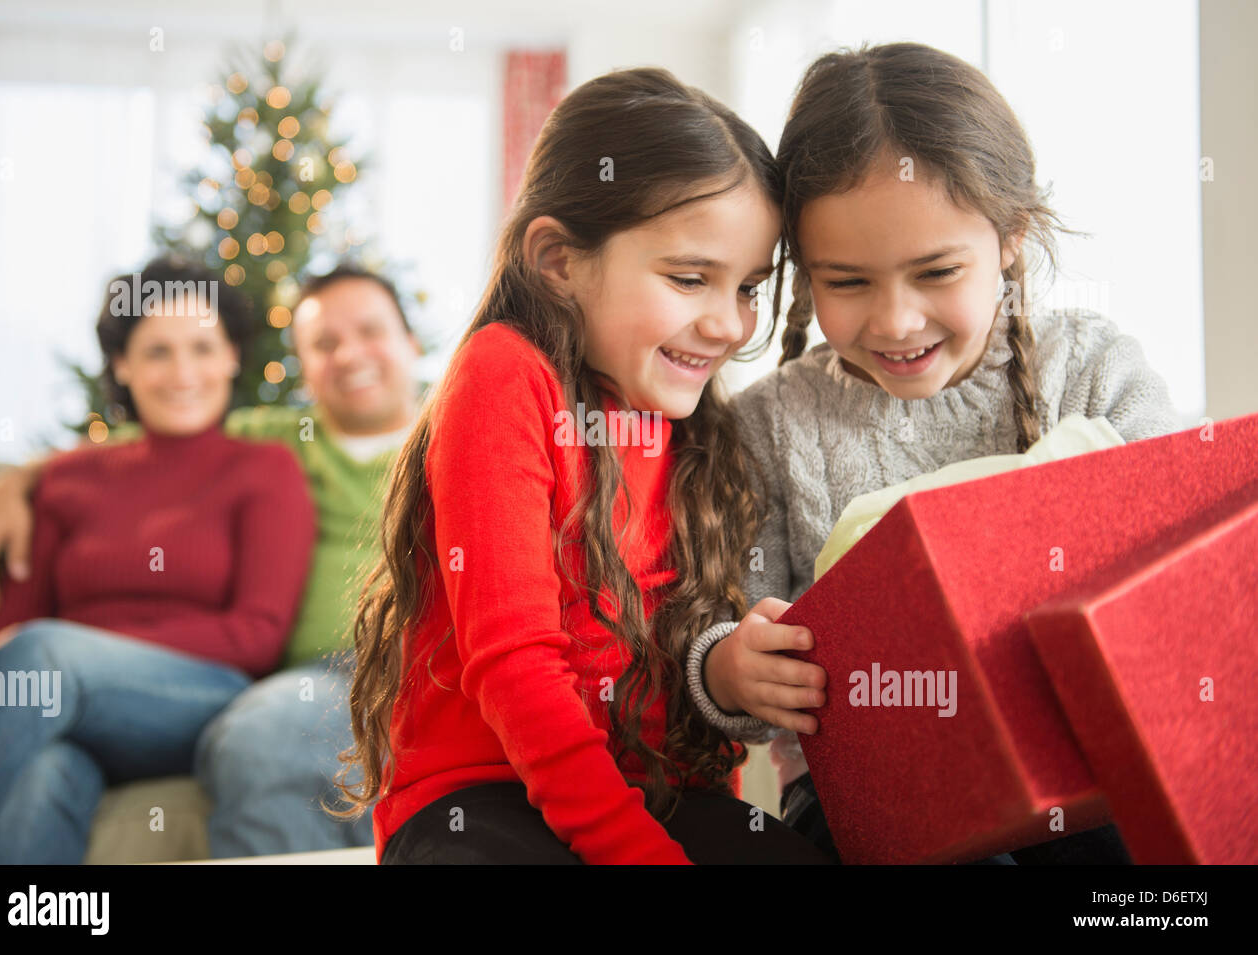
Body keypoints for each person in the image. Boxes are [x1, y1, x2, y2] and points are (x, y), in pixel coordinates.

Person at [684, 42, 1177, 864]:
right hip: (868, 799)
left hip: (1094, 779)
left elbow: (1189, 572)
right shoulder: (769, 424)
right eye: (847, 282)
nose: (897, 322)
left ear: (1011, 237)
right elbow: (722, 633)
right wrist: (729, 668)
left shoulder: (1092, 372)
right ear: (803, 274)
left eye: (937, 271)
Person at [337, 67, 830, 864]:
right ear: (559, 260)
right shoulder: (506, 374)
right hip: (483, 794)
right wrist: (637, 851)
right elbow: (516, 662)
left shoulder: (688, 415)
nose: (730, 322)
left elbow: (685, 677)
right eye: (689, 277)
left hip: (655, 793)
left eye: (747, 286)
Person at [0, 263, 422, 857]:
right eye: (157, 351)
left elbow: (255, 632)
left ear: (230, 357)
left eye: (201, 348)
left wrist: (79, 648)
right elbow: (5, 633)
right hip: (79, 700)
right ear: (122, 366)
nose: (183, 373)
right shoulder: (67, 480)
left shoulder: (268, 463)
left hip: (199, 692)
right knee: (41, 773)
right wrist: (13, 480)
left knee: (42, 658)